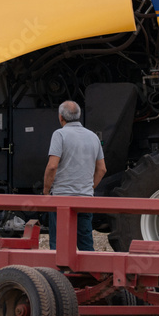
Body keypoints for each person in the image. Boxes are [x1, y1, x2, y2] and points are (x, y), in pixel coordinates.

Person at [43, 100, 106, 251]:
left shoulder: (60, 134)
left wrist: (46, 192)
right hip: (85, 199)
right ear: (79, 115)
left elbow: (52, 166)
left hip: (61, 199)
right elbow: (102, 169)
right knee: (85, 243)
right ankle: (88, 272)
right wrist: (88, 187)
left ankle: (60, 274)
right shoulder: (93, 137)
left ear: (60, 117)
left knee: (59, 245)